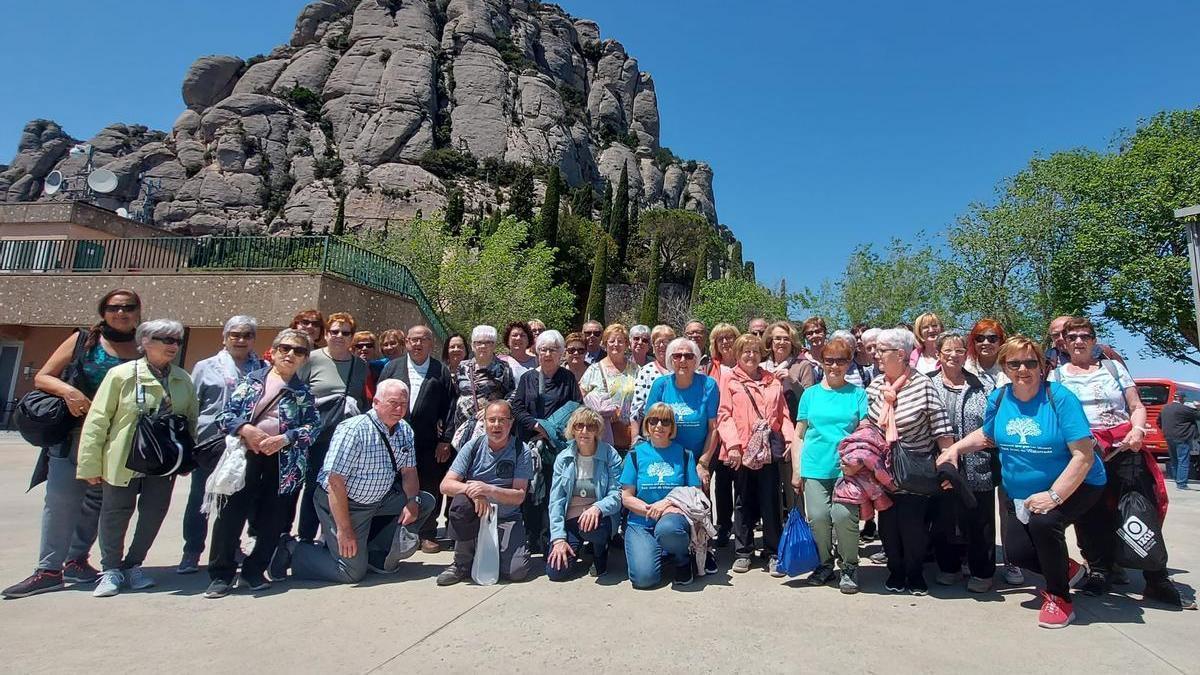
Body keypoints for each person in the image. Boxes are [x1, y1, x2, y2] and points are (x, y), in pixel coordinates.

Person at [937, 336, 1105, 628]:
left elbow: (1083, 457)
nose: (1023, 369)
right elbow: (987, 435)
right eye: (1014, 363)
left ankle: (1060, 598)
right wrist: (954, 449)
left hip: (1077, 483)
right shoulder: (1000, 398)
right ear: (1005, 367)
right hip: (1018, 490)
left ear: (1042, 366)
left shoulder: (1060, 398)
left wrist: (1053, 496)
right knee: (1018, 554)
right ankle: (1066, 569)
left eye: (1030, 362)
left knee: (1044, 523)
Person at [3, 289, 142, 599]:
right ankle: (48, 569)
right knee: (62, 500)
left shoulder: (143, 346)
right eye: (114, 307)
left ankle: (77, 560)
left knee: (98, 503)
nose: (121, 313)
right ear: (103, 311)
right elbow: (43, 377)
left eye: (128, 307)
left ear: (138, 312)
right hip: (75, 435)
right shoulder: (83, 340)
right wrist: (70, 392)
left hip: (117, 440)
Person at [1046, 317, 1183, 605]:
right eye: (1072, 337)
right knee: (1089, 514)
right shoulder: (1056, 377)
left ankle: (1156, 577)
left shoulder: (1113, 368)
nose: (1079, 341)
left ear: (1094, 340)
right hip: (1085, 454)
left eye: (1085, 336)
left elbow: (1136, 407)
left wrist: (1136, 430)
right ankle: (1099, 571)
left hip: (1124, 449)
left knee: (1139, 509)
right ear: (1064, 343)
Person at [77, 319, 199, 598]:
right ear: (144, 341)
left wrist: (186, 459)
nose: (172, 346)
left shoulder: (182, 378)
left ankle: (134, 564)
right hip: (123, 457)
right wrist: (90, 464)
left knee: (153, 513)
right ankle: (111, 569)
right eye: (164, 339)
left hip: (163, 461)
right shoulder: (121, 375)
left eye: (176, 341)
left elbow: (191, 420)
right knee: (115, 513)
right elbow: (98, 420)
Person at [274, 379, 436, 585]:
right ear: (376, 402)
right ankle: (293, 549)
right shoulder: (353, 430)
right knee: (350, 573)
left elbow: (409, 471)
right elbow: (335, 482)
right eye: (393, 403)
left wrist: (412, 501)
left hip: (378, 500)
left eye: (403, 404)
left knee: (425, 501)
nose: (399, 409)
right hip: (344, 503)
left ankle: (376, 555)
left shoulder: (404, 430)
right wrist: (344, 529)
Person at [204, 329, 320, 597]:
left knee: (273, 519)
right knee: (231, 515)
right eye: (286, 349)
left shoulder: (303, 393)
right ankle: (221, 574)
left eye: (299, 351)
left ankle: (254, 571)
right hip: (246, 457)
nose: (291, 355)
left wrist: (286, 438)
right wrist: (246, 429)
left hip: (283, 463)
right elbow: (225, 416)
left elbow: (313, 427)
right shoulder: (252, 382)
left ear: (305, 359)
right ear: (275, 351)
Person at [867, 327, 954, 595]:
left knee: (912, 526)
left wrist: (949, 466)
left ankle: (915, 573)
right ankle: (896, 570)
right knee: (889, 526)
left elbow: (941, 428)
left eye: (882, 351)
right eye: (876, 350)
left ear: (901, 354)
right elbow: (869, 427)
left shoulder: (923, 385)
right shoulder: (875, 386)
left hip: (915, 468)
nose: (877, 355)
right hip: (883, 471)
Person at [178, 315, 265, 575]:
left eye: (247, 335)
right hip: (210, 442)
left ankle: (231, 546)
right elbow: (192, 406)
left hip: (243, 445)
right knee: (200, 498)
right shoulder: (207, 367)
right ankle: (192, 550)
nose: (240, 340)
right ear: (224, 337)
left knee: (236, 498)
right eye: (235, 335)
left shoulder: (261, 368)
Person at [791, 335, 868, 592]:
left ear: (849, 363)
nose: (834, 366)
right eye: (829, 361)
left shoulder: (857, 394)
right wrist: (796, 469)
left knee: (844, 515)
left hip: (847, 469)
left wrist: (859, 462)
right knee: (819, 517)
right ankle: (825, 564)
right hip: (814, 466)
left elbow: (865, 432)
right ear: (821, 362)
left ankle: (849, 566)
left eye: (841, 361)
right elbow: (799, 433)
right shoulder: (810, 395)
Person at [718, 334, 795, 576]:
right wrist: (732, 444)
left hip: (768, 449)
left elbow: (782, 415)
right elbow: (724, 414)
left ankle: (773, 551)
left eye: (754, 351)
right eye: (745, 352)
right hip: (742, 450)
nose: (750, 356)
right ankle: (743, 551)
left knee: (771, 501)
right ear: (738, 355)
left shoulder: (772, 381)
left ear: (761, 353)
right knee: (742, 500)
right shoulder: (730, 379)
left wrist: (791, 439)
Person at [928, 331, 996, 593]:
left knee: (980, 520)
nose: (954, 355)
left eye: (959, 351)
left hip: (977, 461)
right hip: (940, 462)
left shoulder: (983, 385)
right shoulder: (927, 384)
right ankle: (949, 567)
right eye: (948, 351)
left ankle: (983, 572)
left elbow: (992, 423)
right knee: (943, 518)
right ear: (938, 355)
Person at [291, 312, 369, 542]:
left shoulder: (360, 366)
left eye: (345, 333)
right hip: (315, 435)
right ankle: (305, 537)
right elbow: (295, 394)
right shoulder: (311, 359)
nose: (339, 336)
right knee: (313, 484)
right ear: (325, 334)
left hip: (345, 438)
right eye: (334, 331)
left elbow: (362, 401)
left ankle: (331, 536)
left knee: (339, 487)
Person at [437, 400, 533, 586]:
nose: (496, 425)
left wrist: (488, 490)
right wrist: (474, 491)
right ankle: (461, 563)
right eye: (492, 420)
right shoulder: (472, 446)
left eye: (502, 420)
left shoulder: (522, 450)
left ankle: (494, 553)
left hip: (506, 517)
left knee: (517, 572)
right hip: (476, 514)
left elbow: (519, 495)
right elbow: (445, 485)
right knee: (461, 503)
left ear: (511, 423)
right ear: (484, 423)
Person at [379, 325, 456, 554]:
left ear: (431, 343)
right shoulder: (392, 368)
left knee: (430, 485)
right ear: (407, 342)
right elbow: (378, 401)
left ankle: (427, 533)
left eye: (423, 340)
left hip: (428, 441)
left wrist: (445, 440)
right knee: (393, 485)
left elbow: (450, 408)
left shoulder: (439, 371)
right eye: (413, 340)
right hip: (394, 439)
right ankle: (393, 531)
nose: (418, 344)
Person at [511, 329, 583, 550]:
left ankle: (552, 538)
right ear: (537, 352)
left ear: (561, 353)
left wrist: (553, 430)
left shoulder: (567, 378)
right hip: (530, 444)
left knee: (556, 490)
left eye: (553, 349)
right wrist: (536, 425)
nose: (548, 354)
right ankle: (532, 538)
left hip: (557, 445)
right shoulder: (528, 378)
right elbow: (517, 406)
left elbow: (576, 406)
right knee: (532, 490)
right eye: (543, 349)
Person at [622, 402, 703, 588]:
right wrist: (651, 510)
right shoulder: (635, 455)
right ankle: (660, 552)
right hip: (640, 522)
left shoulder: (684, 454)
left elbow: (695, 493)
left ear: (672, 427)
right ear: (647, 424)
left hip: (673, 519)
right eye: (654, 420)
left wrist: (666, 506)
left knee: (667, 529)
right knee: (644, 579)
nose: (659, 426)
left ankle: (682, 559)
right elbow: (626, 497)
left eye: (665, 421)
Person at [545, 407, 623, 580]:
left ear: (598, 430)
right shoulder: (563, 458)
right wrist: (558, 538)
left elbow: (617, 494)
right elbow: (556, 500)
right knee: (556, 572)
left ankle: (600, 550)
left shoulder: (611, 455)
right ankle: (576, 545)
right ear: (573, 429)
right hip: (571, 519)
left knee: (590, 529)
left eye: (591, 426)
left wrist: (598, 507)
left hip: (599, 518)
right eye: (579, 426)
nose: (585, 431)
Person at [644, 338, 720, 494]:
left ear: (696, 360)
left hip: (699, 456)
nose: (683, 360)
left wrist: (703, 463)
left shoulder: (708, 385)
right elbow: (649, 425)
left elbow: (714, 428)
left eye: (688, 356)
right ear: (671, 360)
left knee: (699, 505)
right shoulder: (661, 385)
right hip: (667, 457)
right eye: (677, 356)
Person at [762, 320, 815, 515]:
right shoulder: (762, 367)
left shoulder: (803, 366)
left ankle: (800, 534)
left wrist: (791, 380)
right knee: (770, 491)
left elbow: (811, 399)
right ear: (770, 341)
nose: (781, 342)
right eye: (777, 338)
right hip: (768, 435)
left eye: (786, 338)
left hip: (795, 432)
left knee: (795, 486)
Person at [451, 325, 516, 448]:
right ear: (472, 345)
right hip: (463, 424)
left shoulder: (503, 368)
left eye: (488, 343)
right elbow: (455, 393)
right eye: (479, 342)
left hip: (489, 426)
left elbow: (512, 394)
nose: (483, 346)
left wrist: (492, 409)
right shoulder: (463, 366)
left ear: (494, 345)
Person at [704, 322, 739, 545]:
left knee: (742, 482)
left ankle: (744, 526)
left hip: (738, 430)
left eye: (729, 337)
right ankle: (723, 525)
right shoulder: (709, 368)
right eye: (720, 338)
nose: (725, 342)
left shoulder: (745, 363)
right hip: (715, 431)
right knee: (721, 482)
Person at [580, 324, 639, 452]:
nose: (616, 345)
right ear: (605, 343)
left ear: (626, 344)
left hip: (628, 433)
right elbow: (581, 397)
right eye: (611, 341)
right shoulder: (594, 370)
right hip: (602, 432)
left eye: (620, 341)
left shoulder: (636, 369)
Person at [631, 325, 676, 432]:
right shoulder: (646, 370)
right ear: (653, 346)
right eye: (658, 342)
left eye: (666, 342)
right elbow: (637, 407)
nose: (662, 346)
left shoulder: (681, 368)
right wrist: (635, 438)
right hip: (653, 429)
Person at [1045, 315, 1127, 369]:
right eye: (1056, 335)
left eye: (1065, 334)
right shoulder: (1047, 361)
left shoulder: (1105, 353)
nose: (1061, 338)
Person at [1159, 393, 1200, 489]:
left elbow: (1159, 421)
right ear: (1182, 398)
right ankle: (1181, 483)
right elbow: (1198, 416)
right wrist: (1198, 407)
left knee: (1174, 460)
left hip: (1169, 437)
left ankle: (1177, 479)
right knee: (1183, 460)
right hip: (1183, 437)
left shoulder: (1165, 408)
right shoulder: (1185, 409)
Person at [965, 318, 1008, 387]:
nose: (986, 343)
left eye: (992, 339)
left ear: (1001, 342)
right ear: (974, 341)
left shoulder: (1011, 367)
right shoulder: (964, 366)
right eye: (980, 338)